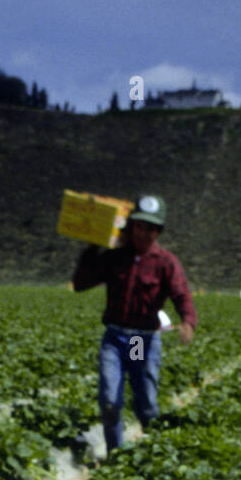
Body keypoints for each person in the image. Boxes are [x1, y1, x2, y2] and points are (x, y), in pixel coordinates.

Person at [72, 194, 197, 455]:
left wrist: (188, 321)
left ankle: (155, 453)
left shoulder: (165, 262)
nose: (143, 233)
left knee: (145, 401)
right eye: (139, 226)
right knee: (109, 400)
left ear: (158, 232)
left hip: (141, 341)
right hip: (116, 339)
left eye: (150, 228)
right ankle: (115, 454)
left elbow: (181, 293)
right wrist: (93, 247)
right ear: (131, 227)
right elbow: (81, 284)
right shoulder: (115, 257)